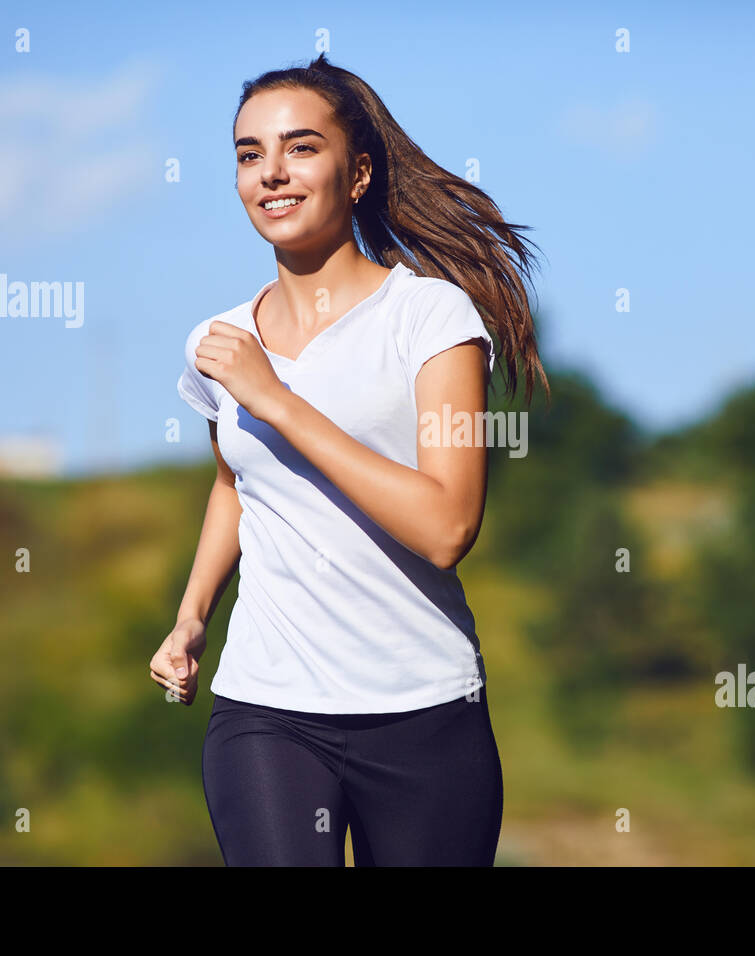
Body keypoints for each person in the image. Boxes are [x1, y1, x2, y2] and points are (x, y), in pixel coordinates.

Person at [148, 53, 550, 866]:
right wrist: (192, 618)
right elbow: (235, 483)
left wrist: (279, 400)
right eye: (250, 154)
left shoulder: (430, 318)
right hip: (266, 709)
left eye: (301, 147)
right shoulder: (219, 344)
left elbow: (447, 526)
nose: (271, 172)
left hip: (422, 712)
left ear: (358, 172)